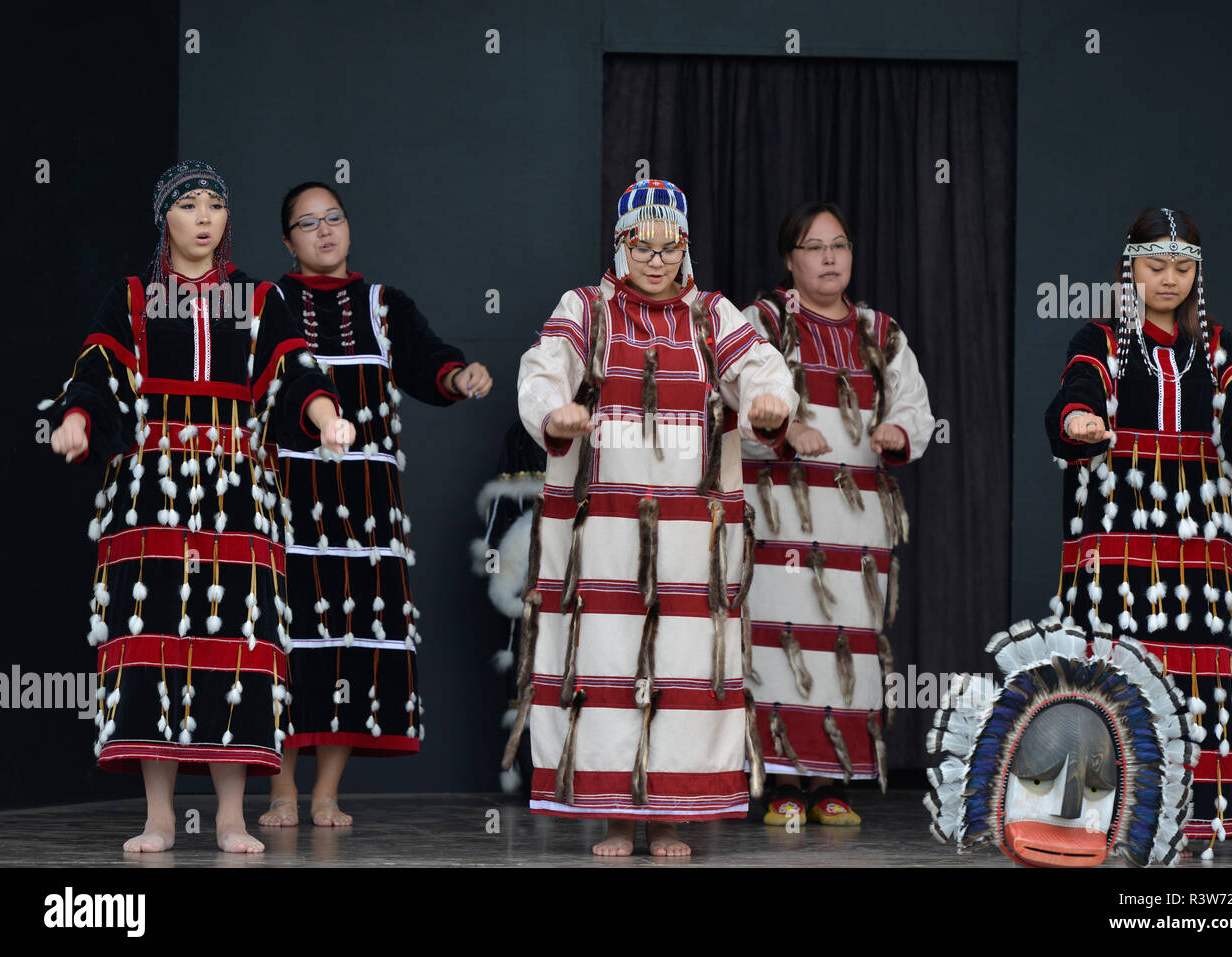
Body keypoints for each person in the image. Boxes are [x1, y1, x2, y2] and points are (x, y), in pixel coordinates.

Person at [42, 161, 354, 853]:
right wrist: (77, 420)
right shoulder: (132, 297)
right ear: (166, 220)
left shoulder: (255, 297)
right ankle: (157, 815)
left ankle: (232, 816)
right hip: (152, 488)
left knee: (233, 650)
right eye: (189, 205)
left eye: (215, 203)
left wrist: (326, 414)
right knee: (152, 646)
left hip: (237, 489)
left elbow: (291, 366)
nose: (205, 216)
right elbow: (97, 369)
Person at [511, 179, 795, 856]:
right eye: (644, 243)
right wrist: (555, 412)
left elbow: (760, 366)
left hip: (692, 535)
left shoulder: (711, 314)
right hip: (602, 530)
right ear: (622, 245)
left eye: (672, 245)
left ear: (686, 249)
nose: (658, 258)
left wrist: (767, 403)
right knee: (604, 663)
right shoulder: (587, 308)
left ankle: (670, 817)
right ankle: (613, 817)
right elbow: (543, 366)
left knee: (684, 667)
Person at [1045, 207, 1232, 858]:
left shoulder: (1216, 348)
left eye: (1184, 267)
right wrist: (1078, 419)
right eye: (1157, 265)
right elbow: (1080, 386)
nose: (1170, 279)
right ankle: (1105, 810)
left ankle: (1191, 813)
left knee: (1196, 679)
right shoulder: (1101, 340)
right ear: (1130, 269)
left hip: (1196, 555)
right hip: (1120, 546)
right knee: (1121, 668)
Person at [259, 182, 492, 828]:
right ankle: (280, 790)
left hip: (364, 503)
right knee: (288, 638)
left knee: (351, 639)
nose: (325, 231)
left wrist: (459, 376)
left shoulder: (385, 305)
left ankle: (327, 791)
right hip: (287, 496)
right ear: (288, 241)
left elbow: (429, 365)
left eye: (334, 217)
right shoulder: (269, 302)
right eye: (308, 223)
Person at [741, 202, 935, 826]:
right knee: (780, 643)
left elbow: (914, 406)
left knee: (846, 645)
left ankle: (832, 784)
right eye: (814, 246)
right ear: (789, 260)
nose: (829, 257)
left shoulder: (882, 331)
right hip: (779, 523)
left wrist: (897, 434)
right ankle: (778, 785)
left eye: (840, 245)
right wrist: (783, 426)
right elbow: (730, 405)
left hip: (855, 523)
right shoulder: (762, 322)